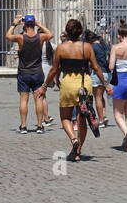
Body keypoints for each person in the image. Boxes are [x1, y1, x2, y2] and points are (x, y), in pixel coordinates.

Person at [40, 18, 109, 162]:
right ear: (80, 32)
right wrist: (106, 85)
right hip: (85, 83)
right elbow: (96, 68)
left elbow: (54, 70)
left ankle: (73, 139)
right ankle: (78, 151)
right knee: (82, 119)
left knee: (65, 117)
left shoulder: (61, 48)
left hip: (68, 83)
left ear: (67, 31)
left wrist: (44, 87)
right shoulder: (87, 47)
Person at [7, 15, 51, 134]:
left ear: (25, 24)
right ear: (33, 23)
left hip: (24, 72)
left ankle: (23, 126)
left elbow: (8, 35)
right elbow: (50, 34)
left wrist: (14, 23)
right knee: (39, 100)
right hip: (37, 72)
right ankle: (40, 126)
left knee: (23, 100)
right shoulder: (40, 37)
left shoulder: (20, 38)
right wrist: (39, 24)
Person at [88, 29, 111, 128]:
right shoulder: (104, 45)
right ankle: (104, 116)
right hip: (107, 73)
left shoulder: (93, 47)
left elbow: (90, 62)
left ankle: (101, 119)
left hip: (98, 73)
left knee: (97, 97)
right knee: (101, 96)